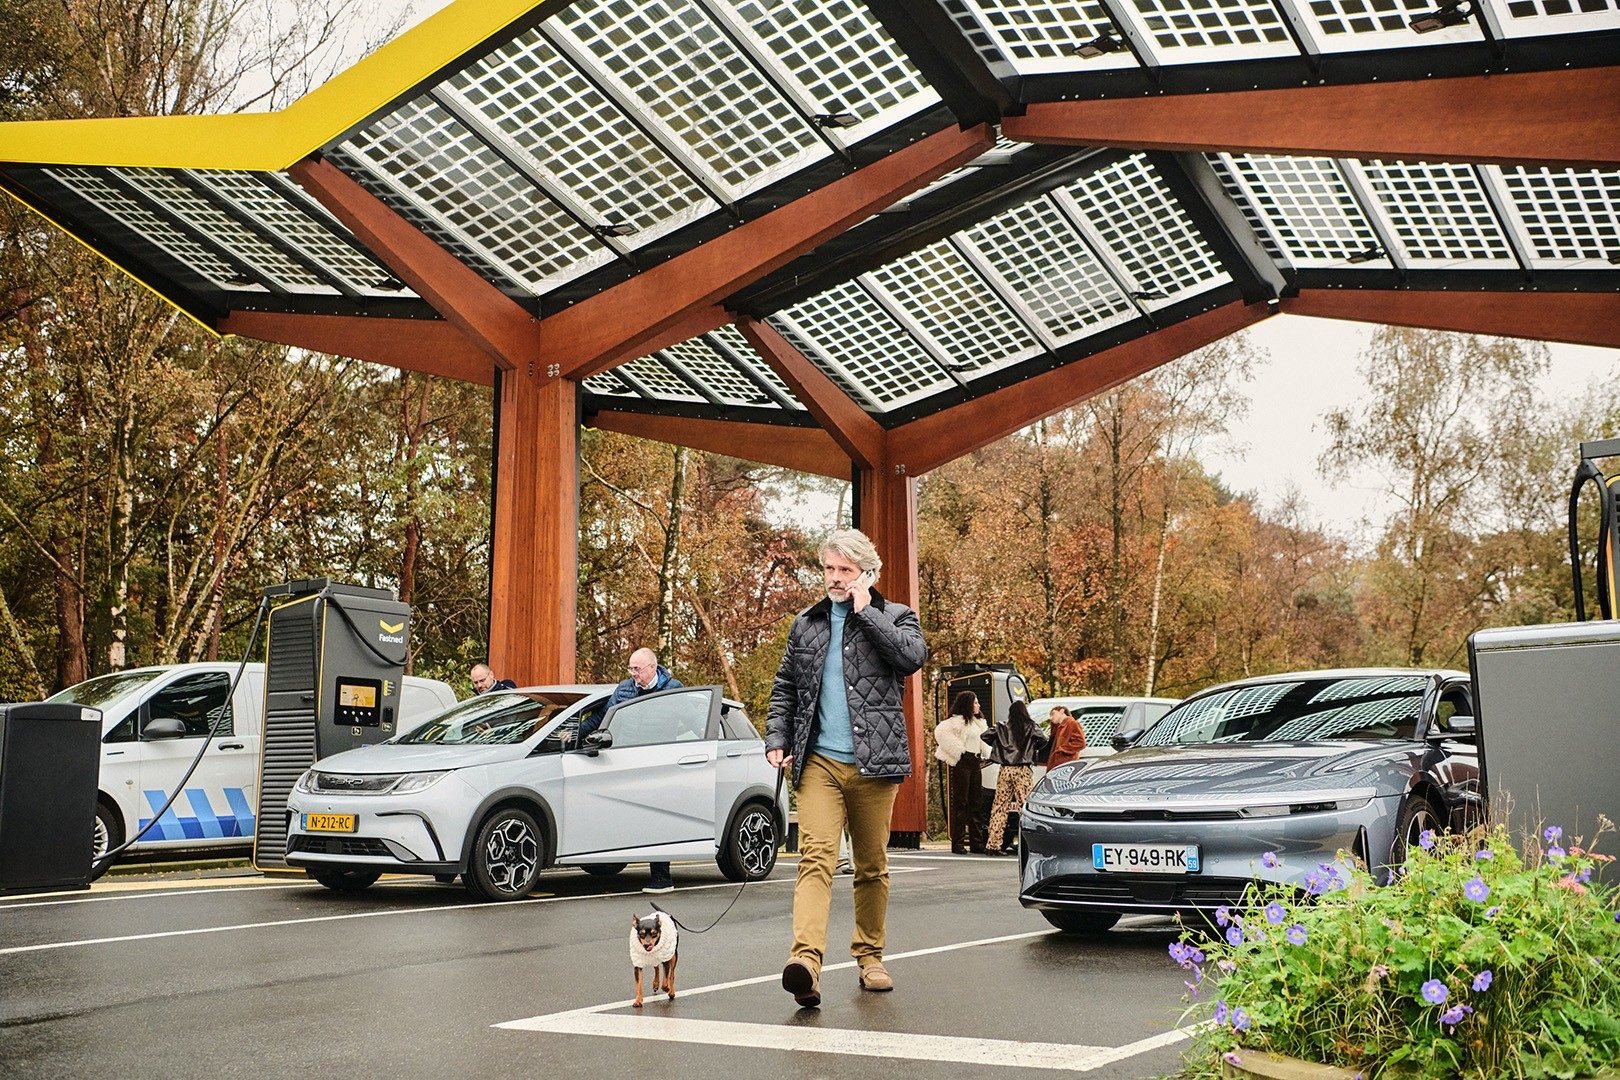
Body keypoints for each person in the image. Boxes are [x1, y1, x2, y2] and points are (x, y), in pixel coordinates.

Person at [765, 529, 926, 1009]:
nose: (835, 579)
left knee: (871, 865)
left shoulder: (896, 616)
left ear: (866, 575)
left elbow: (911, 658)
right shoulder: (806, 624)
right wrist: (777, 738)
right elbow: (785, 689)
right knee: (815, 858)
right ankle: (806, 964)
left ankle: (870, 957)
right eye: (830, 569)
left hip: (875, 765)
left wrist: (866, 613)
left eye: (845, 571)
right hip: (819, 762)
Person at [581, 647, 683, 894]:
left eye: (637, 669)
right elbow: (604, 717)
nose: (633, 674)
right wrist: (576, 734)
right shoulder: (624, 689)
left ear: (651, 667)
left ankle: (662, 877)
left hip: (659, 762)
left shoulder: (673, 689)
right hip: (627, 760)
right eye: (631, 669)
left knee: (657, 815)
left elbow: (691, 719)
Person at [983, 700, 1048, 855]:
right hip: (1022, 770)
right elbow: (1043, 740)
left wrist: (999, 746)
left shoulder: (1001, 726)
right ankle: (1028, 844)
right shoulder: (1031, 727)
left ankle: (992, 845)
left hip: (1005, 769)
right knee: (1025, 807)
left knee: (999, 806)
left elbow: (985, 736)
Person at [934, 690, 990, 854]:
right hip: (962, 762)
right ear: (967, 704)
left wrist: (989, 754)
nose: (978, 705)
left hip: (976, 762)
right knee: (961, 802)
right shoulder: (956, 721)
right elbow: (940, 732)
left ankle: (976, 842)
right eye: (975, 702)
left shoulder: (979, 722)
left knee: (976, 803)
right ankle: (957, 843)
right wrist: (959, 750)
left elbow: (984, 741)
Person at [1045, 704, 1088, 770]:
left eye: (1053, 714)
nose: (1051, 717)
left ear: (1062, 711)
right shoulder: (1059, 727)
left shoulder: (1072, 723)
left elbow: (1081, 743)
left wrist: (1062, 749)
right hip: (1059, 764)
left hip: (1065, 764)